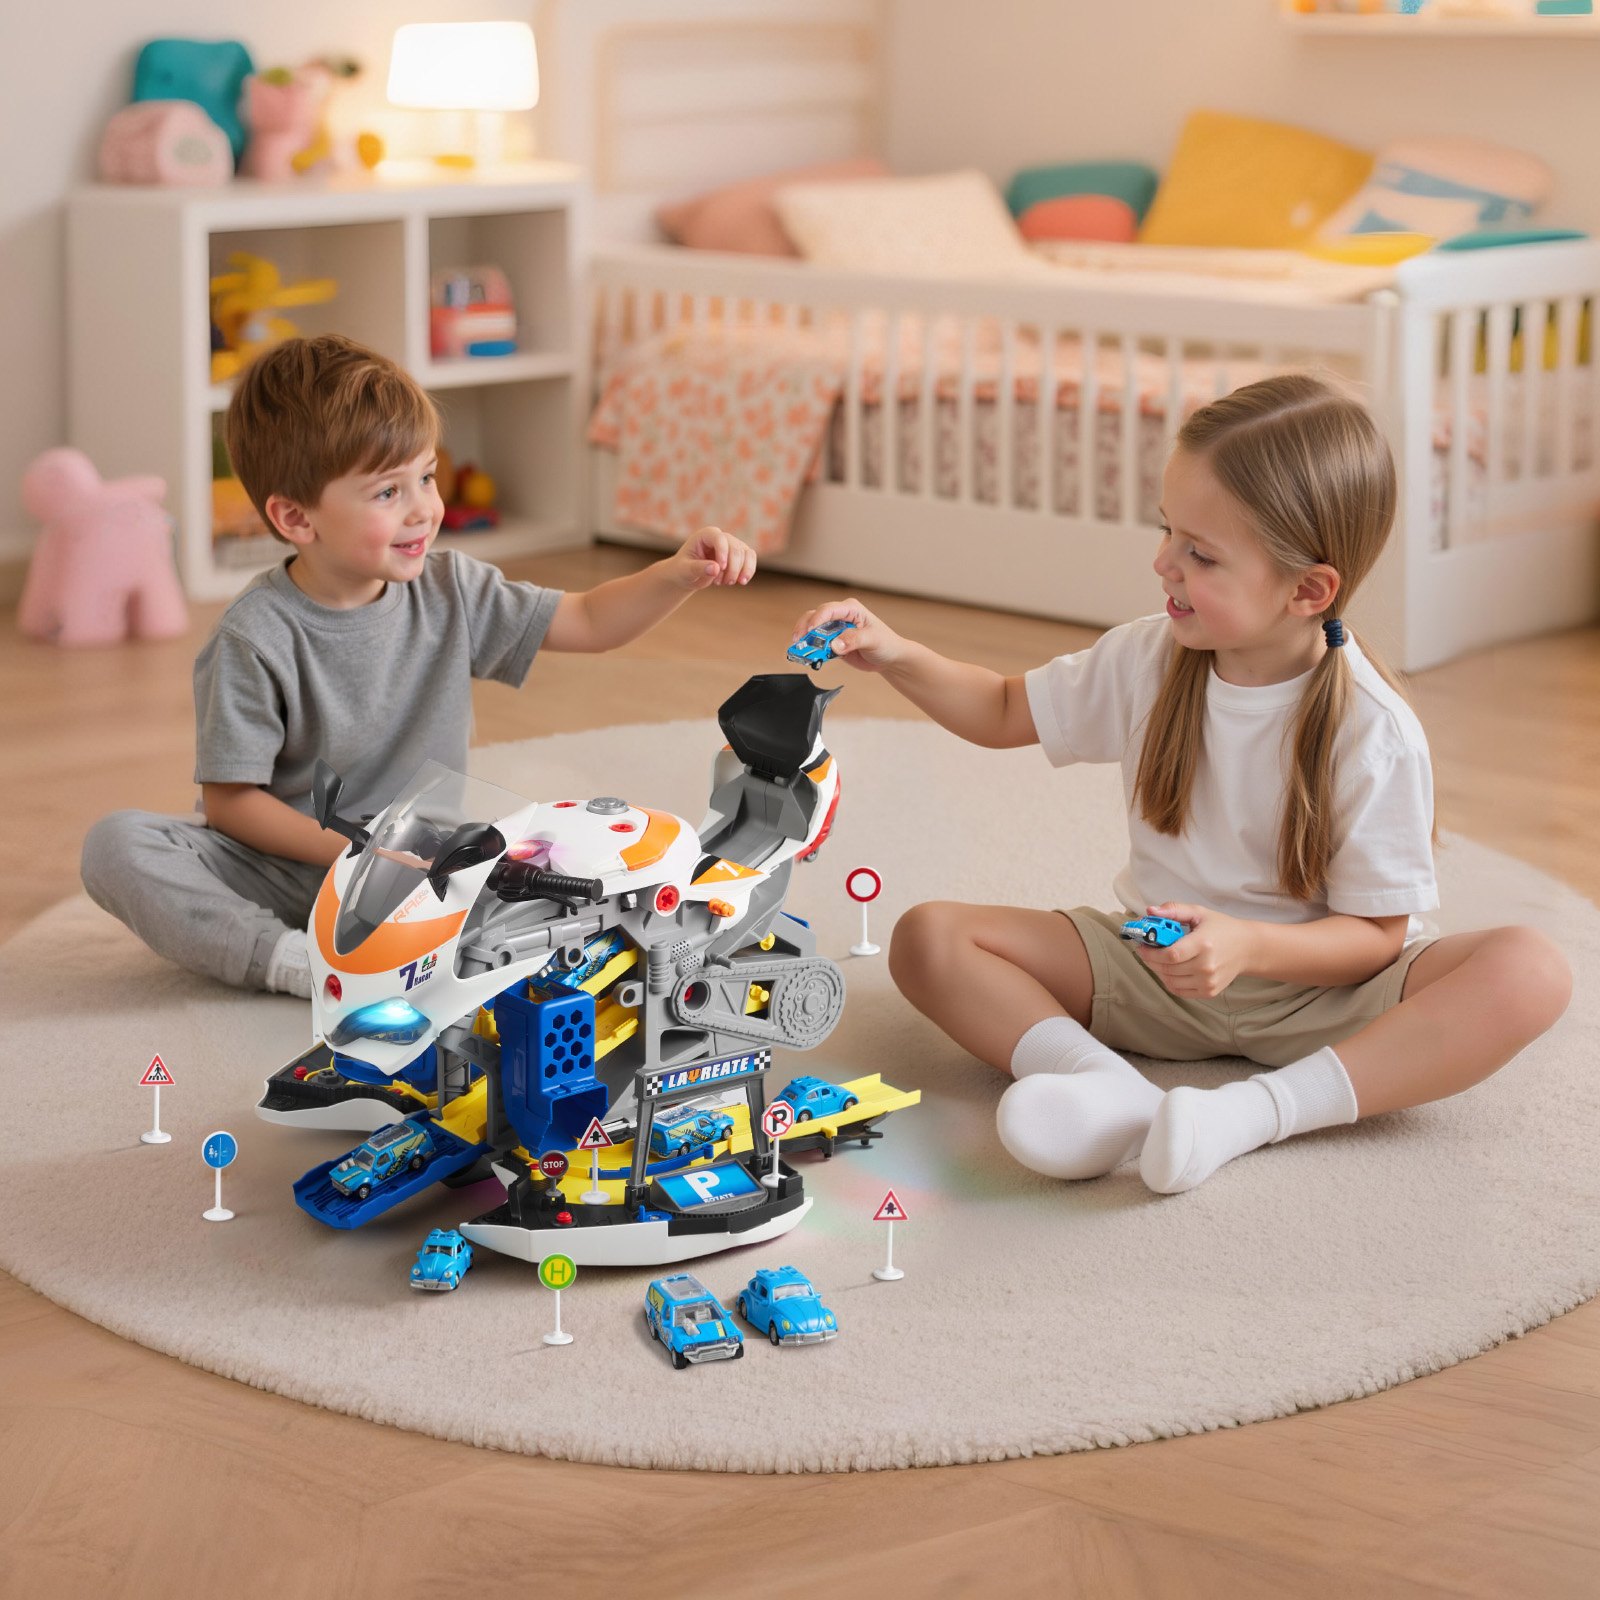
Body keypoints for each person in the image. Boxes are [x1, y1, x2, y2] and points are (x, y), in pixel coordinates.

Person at [788, 374, 1571, 1195]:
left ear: (1309, 590)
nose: (1163, 563)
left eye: (1201, 554)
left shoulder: (1373, 729)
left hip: (1325, 997)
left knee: (1530, 970)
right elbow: (1002, 708)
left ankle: (1253, 1114)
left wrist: (1247, 946)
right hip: (1158, 972)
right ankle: (1110, 1091)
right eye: (1169, 532)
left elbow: (1375, 939)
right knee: (929, 939)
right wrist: (896, 652)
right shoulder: (1147, 656)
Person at [82, 334, 758, 999]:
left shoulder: (450, 587)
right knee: (116, 846)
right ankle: (288, 961)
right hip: (286, 868)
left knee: (571, 850)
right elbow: (231, 803)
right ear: (296, 517)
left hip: (428, 868)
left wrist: (675, 575)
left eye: (427, 477)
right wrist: (362, 852)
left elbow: (587, 620)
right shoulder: (254, 635)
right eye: (387, 493)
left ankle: (430, 946)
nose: (423, 510)